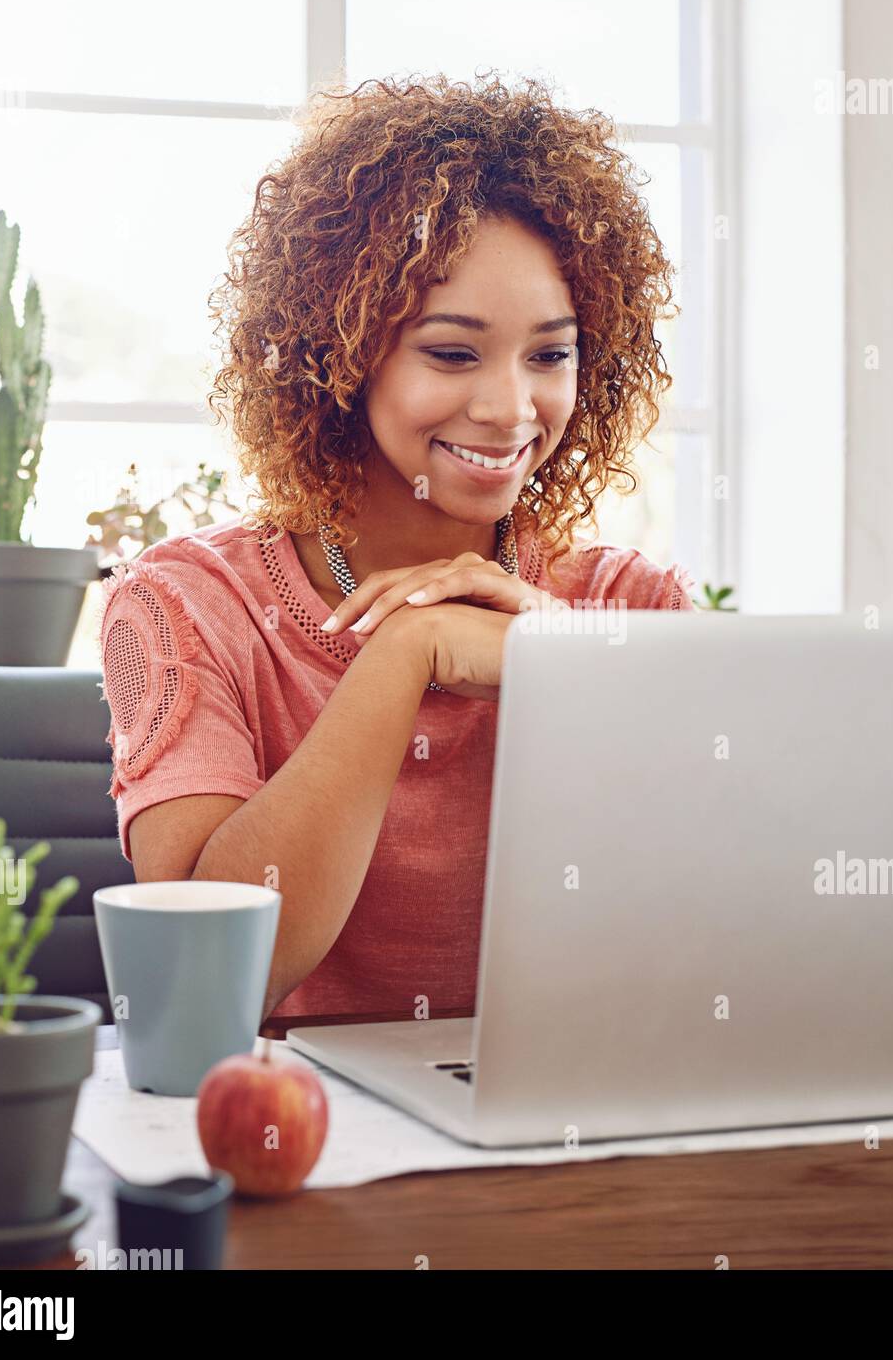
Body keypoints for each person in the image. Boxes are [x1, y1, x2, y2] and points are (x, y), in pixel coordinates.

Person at [99, 72, 697, 1025]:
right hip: (297, 1149)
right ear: (338, 353)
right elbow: (199, 988)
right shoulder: (187, 604)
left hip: (573, 1142)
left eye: (550, 354)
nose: (510, 409)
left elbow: (716, 937)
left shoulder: (630, 607)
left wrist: (569, 663)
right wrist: (406, 654)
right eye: (453, 353)